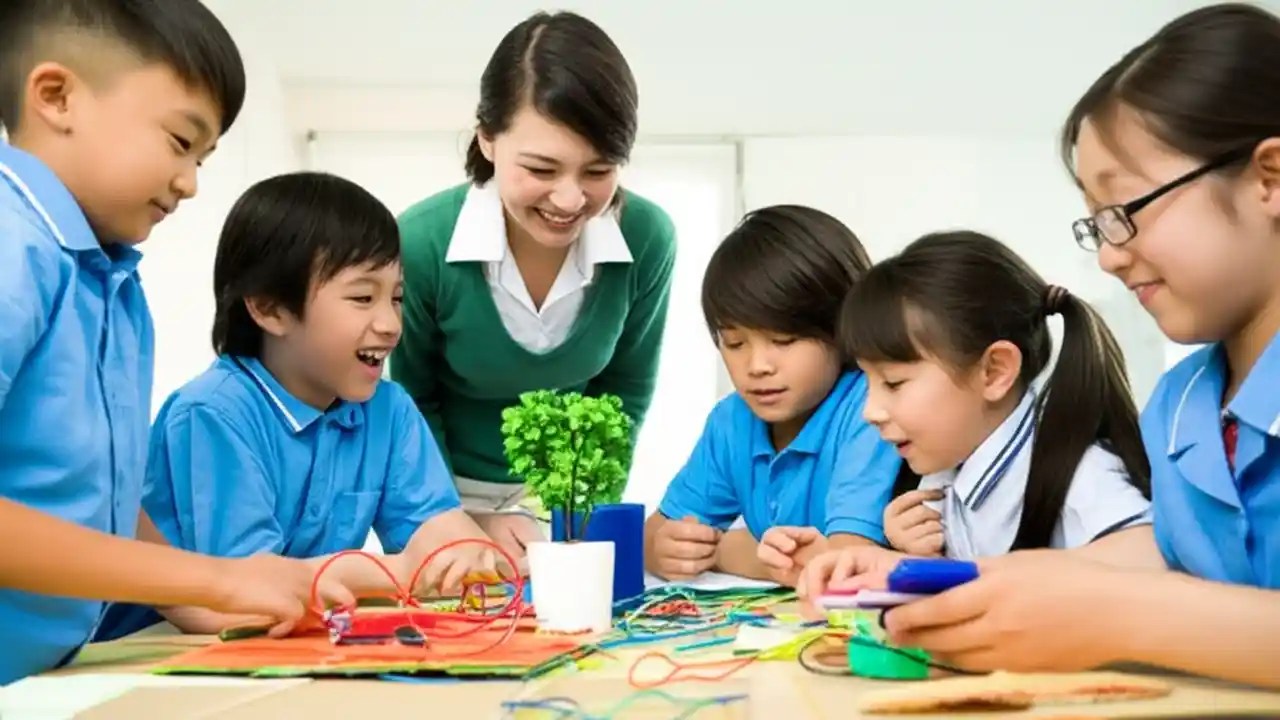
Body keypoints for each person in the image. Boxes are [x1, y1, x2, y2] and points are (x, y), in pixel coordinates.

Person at [799, 3, 1280, 690]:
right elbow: (1158, 563)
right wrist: (928, 579)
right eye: (1097, 225)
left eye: (1125, 212)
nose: (1109, 256)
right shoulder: (1180, 406)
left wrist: (1123, 617)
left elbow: (1147, 600)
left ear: (1269, 179)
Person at [0, 0, 351, 685]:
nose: (189, 183)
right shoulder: (14, 246)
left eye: (203, 157)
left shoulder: (111, 283)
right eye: (179, 141)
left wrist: (201, 595)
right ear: (57, 97)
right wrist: (212, 579)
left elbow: (92, 495)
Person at [124, 172, 497, 634]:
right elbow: (249, 588)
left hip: (301, 636)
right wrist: (399, 571)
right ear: (271, 309)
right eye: (363, 297)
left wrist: (459, 550)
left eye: (397, 297)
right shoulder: (213, 414)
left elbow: (435, 527)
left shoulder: (389, 409)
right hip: (161, 645)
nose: (390, 324)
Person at [392, 11, 677, 563]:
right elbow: (411, 403)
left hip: (565, 500)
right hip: (441, 496)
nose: (570, 200)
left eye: (598, 171)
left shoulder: (646, 237)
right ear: (487, 139)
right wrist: (454, 522)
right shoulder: (420, 243)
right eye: (542, 170)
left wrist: (573, 517)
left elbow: (625, 392)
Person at [837, 231, 1150, 563]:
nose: (870, 411)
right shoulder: (943, 475)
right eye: (868, 382)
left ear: (995, 371)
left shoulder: (1080, 477)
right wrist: (918, 558)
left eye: (893, 383)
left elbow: (1147, 566)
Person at [645, 206, 900, 586]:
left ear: (844, 328)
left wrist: (720, 551)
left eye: (783, 340)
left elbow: (844, 564)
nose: (757, 365)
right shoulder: (733, 419)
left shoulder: (871, 407)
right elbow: (656, 532)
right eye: (734, 343)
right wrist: (663, 549)